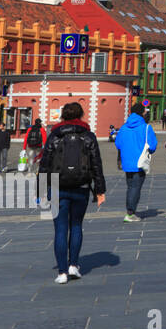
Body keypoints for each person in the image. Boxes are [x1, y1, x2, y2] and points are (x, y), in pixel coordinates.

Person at [40, 102, 106, 283]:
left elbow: (45, 163)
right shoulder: (88, 136)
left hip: (56, 187)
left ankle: (62, 272)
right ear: (81, 115)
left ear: (63, 115)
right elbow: (96, 164)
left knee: (60, 229)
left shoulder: (54, 135)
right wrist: (100, 190)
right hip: (81, 186)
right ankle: (73, 265)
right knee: (76, 225)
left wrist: (41, 190)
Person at [114, 102, 158, 222]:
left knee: (130, 187)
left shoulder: (124, 127)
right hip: (140, 162)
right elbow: (152, 146)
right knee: (135, 187)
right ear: (142, 113)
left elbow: (118, 143)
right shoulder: (146, 127)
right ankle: (130, 213)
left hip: (127, 162)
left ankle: (130, 211)